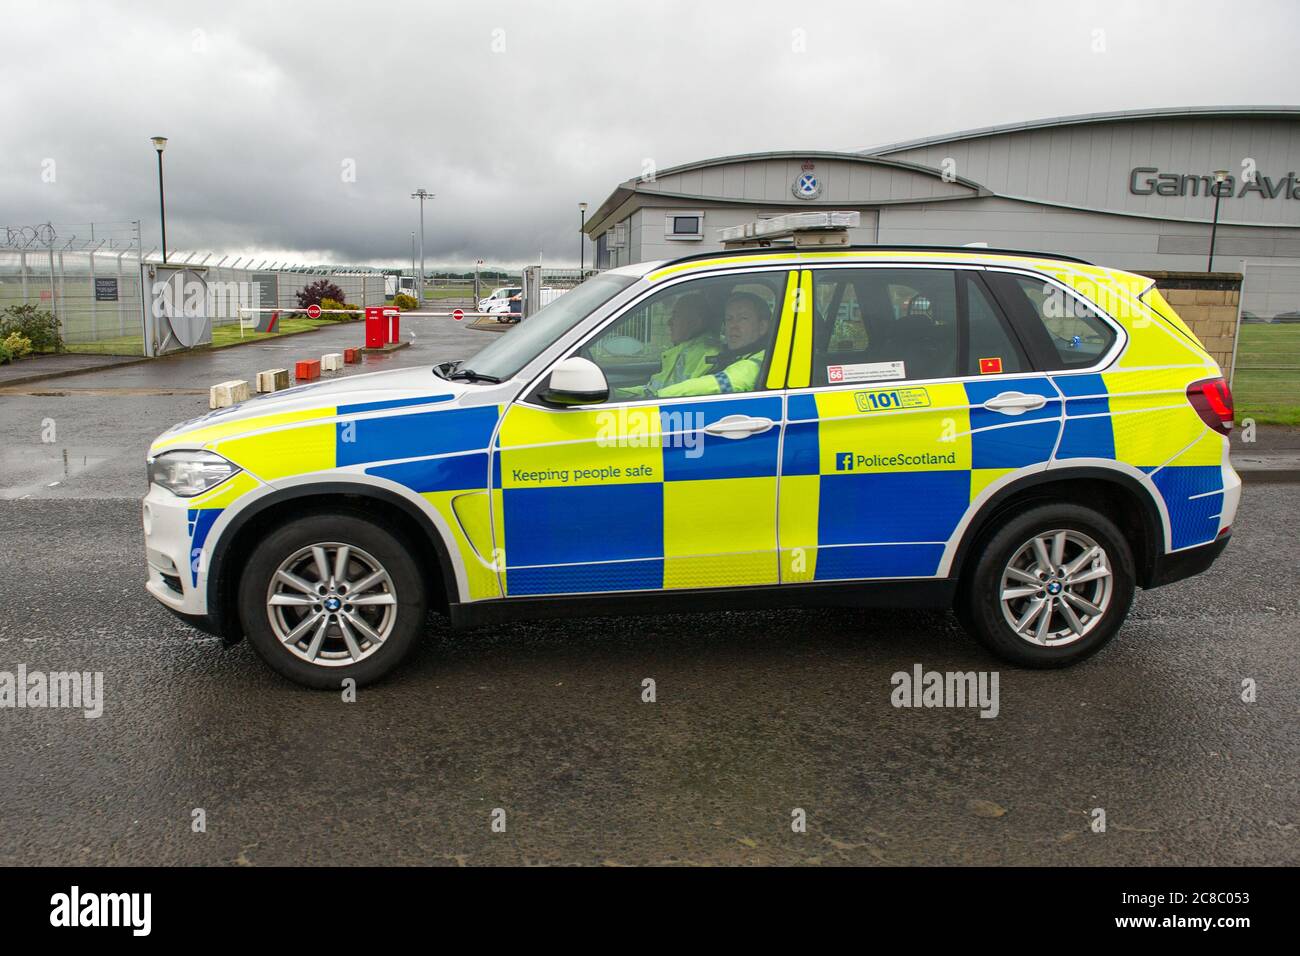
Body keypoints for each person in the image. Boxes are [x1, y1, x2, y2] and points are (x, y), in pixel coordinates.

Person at [657, 291, 772, 397]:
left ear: (762, 327)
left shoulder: (762, 360)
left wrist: (658, 397)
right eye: (729, 319)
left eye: (742, 318)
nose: (733, 326)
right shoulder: (731, 354)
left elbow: (722, 383)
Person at [619, 293, 720, 398]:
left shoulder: (709, 355)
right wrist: (617, 393)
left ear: (695, 322)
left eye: (676, 316)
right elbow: (652, 390)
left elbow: (683, 398)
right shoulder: (680, 351)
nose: (669, 322)